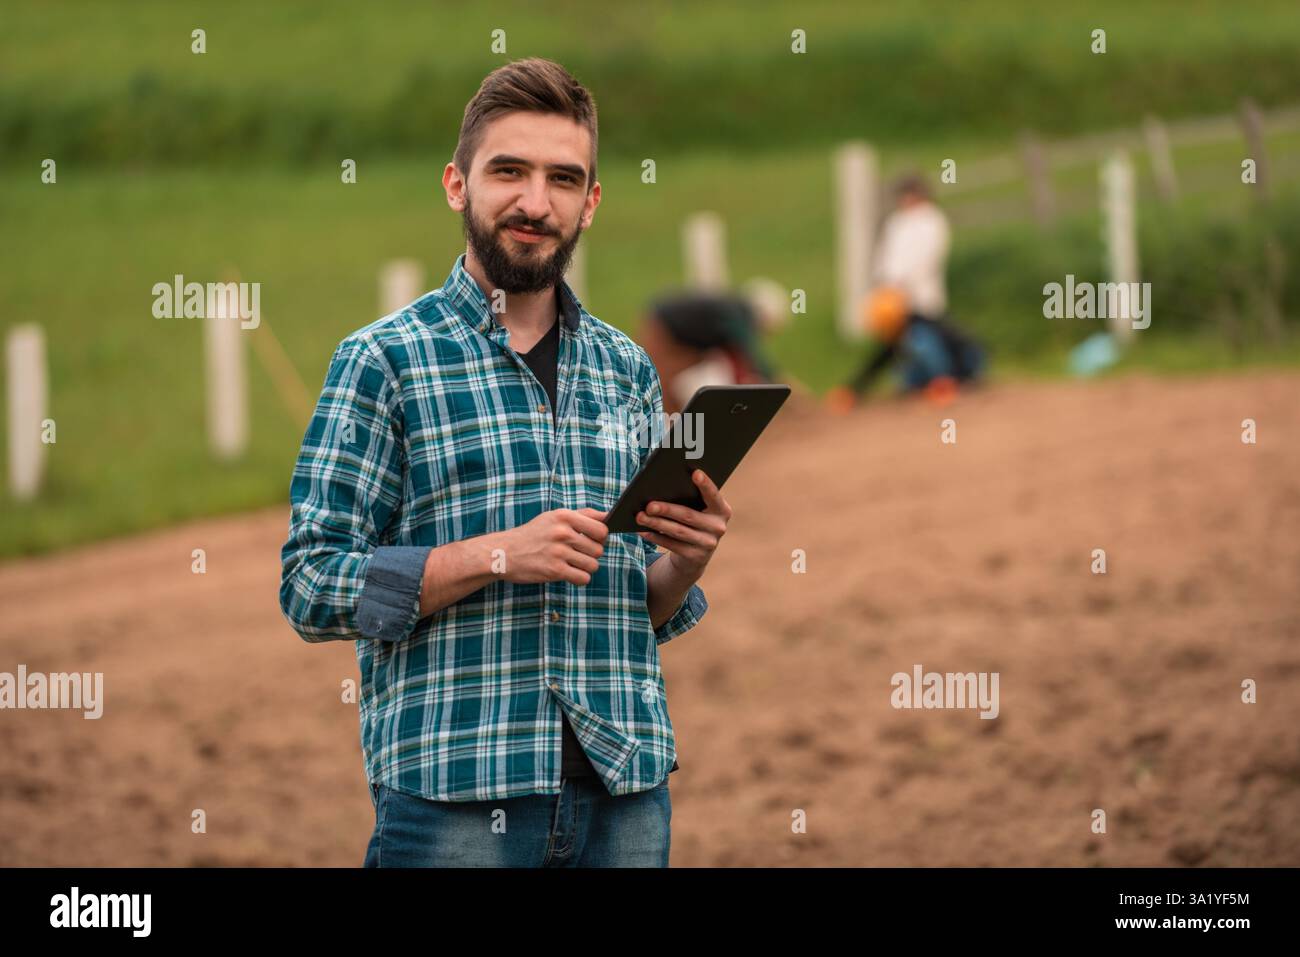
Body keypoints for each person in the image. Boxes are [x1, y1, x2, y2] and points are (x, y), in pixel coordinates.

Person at [279, 58, 733, 867]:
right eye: (509, 171)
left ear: (590, 202)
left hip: (624, 797)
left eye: (563, 178)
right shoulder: (383, 360)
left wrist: (686, 563)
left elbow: (635, 612)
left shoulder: (626, 369)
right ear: (457, 185)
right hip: (454, 804)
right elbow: (311, 584)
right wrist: (497, 556)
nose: (535, 201)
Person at [826, 174, 984, 411]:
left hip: (921, 297)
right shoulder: (897, 223)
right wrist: (885, 285)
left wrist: (902, 285)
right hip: (893, 297)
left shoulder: (932, 221)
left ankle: (941, 381)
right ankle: (860, 389)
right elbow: (885, 258)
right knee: (897, 345)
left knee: (923, 341)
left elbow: (925, 258)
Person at [636, 281, 785, 416]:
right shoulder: (736, 316)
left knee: (669, 392)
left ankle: (679, 430)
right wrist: (776, 384)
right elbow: (751, 357)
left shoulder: (728, 311)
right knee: (660, 388)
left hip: (681, 338)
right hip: (665, 332)